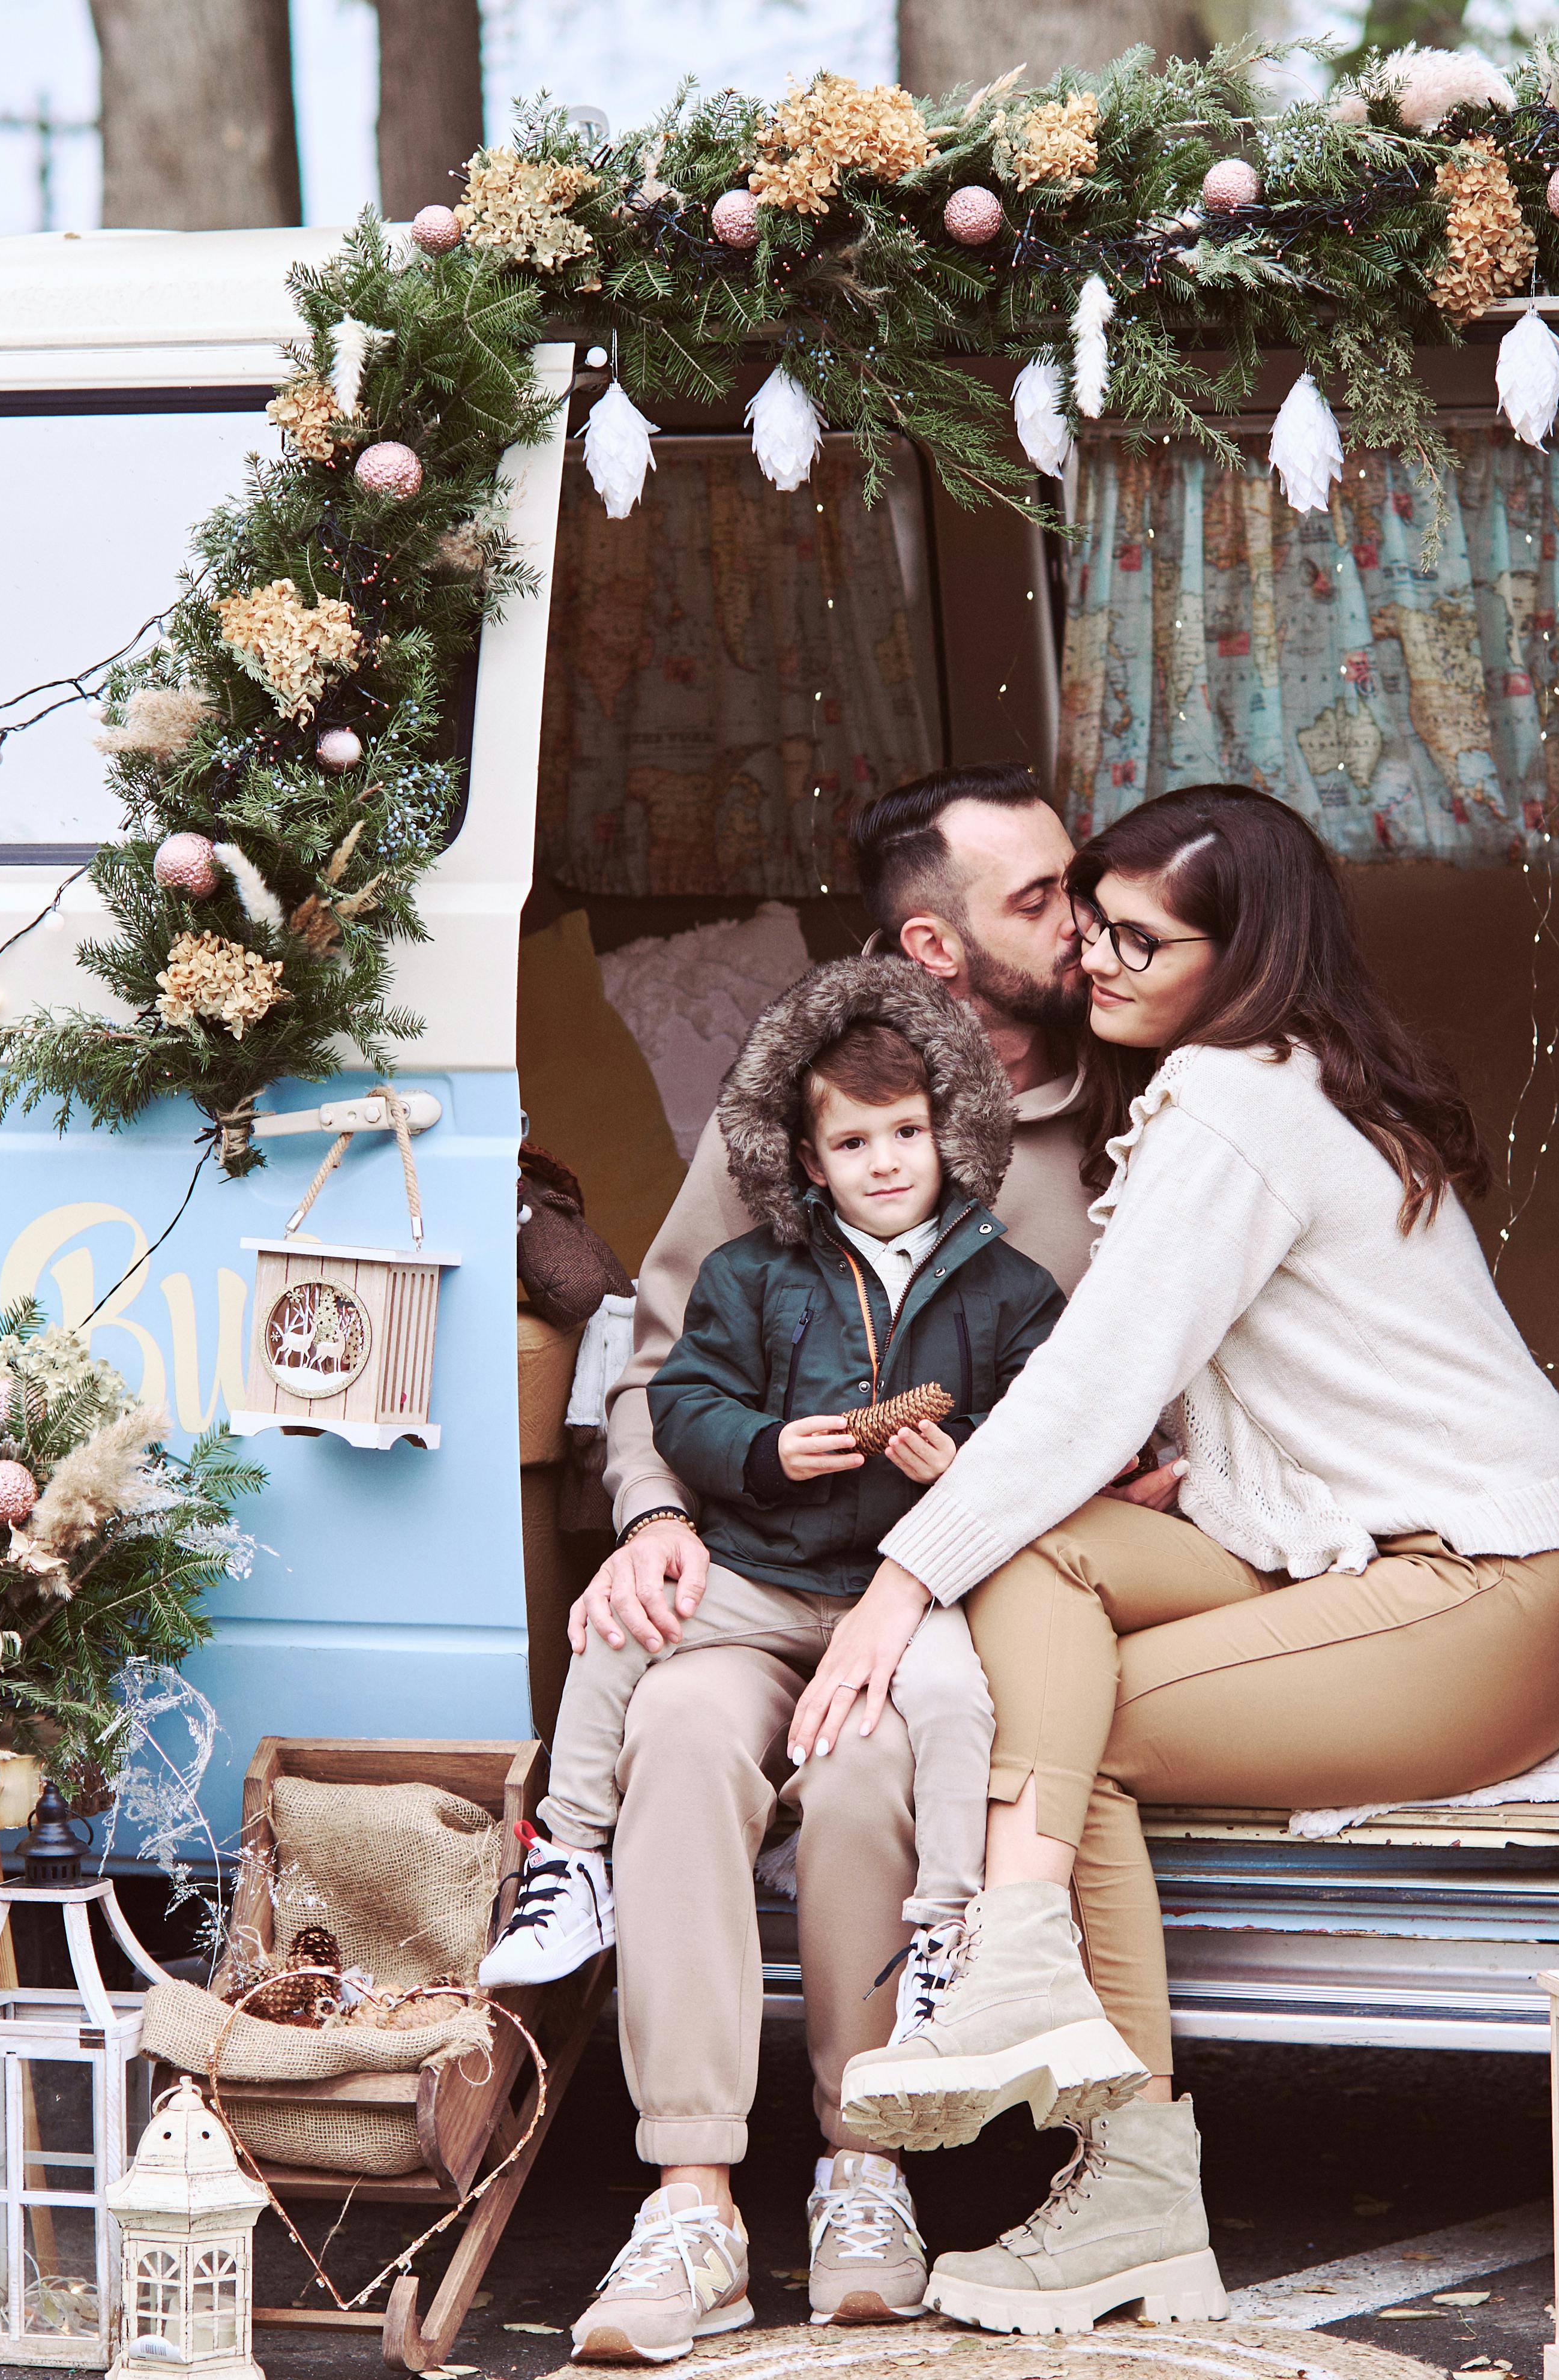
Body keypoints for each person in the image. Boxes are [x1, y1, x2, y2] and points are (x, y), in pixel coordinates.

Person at [797, 784, 1559, 2337]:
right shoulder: (1273, 1075)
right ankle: (1047, 2002)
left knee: (1068, 1719)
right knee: (1040, 1567)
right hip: (1385, 1563)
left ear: (1239, 953)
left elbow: (1091, 1380)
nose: (1095, 958)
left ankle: (1115, 2152)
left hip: (1485, 1594)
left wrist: (897, 1581)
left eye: (1137, 937)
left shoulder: (1233, 1103)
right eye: (1088, 922)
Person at [558, 764, 1150, 2361]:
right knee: (679, 1729)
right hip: (755, 1563)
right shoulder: (806, 1108)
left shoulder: (1131, 1110)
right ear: (934, 947)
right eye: (1040, 899)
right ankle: (687, 2195)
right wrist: (657, 1518)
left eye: (1079, 880)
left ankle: (862, 2163)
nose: (1086, 918)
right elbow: (657, 1356)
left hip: (944, 1597)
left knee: (871, 1762)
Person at [487, 961, 1067, 2025]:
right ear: (806, 1159)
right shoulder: (752, 1273)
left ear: (949, 1132)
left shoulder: (1009, 1287)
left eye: (904, 1133)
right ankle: (570, 1858)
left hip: (913, 1590)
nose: (883, 1163)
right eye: (852, 1144)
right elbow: (684, 1398)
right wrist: (764, 1450)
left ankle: (944, 1929)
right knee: (622, 1622)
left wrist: (965, 1459)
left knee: (954, 1701)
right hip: (761, 1568)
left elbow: (1045, 1429)